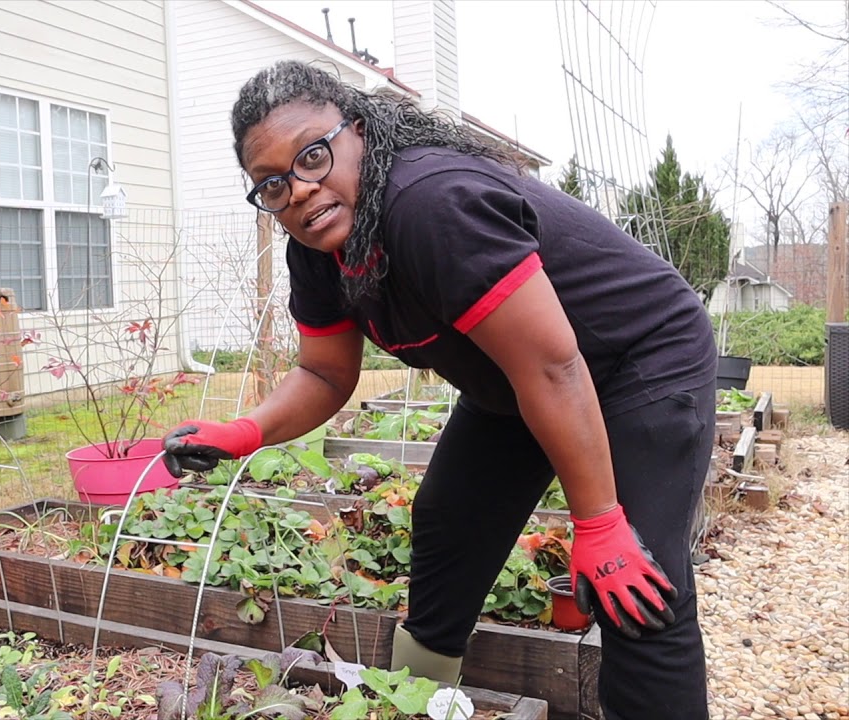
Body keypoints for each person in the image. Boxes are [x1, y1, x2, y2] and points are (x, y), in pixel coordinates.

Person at [161, 60, 715, 719]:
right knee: (451, 518)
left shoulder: (429, 203)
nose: (300, 192)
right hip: (515, 379)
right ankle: (414, 699)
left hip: (636, 359)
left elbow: (555, 368)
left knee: (637, 585)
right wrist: (243, 431)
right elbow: (324, 373)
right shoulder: (316, 245)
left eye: (313, 157)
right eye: (273, 185)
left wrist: (598, 522)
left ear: (359, 132)